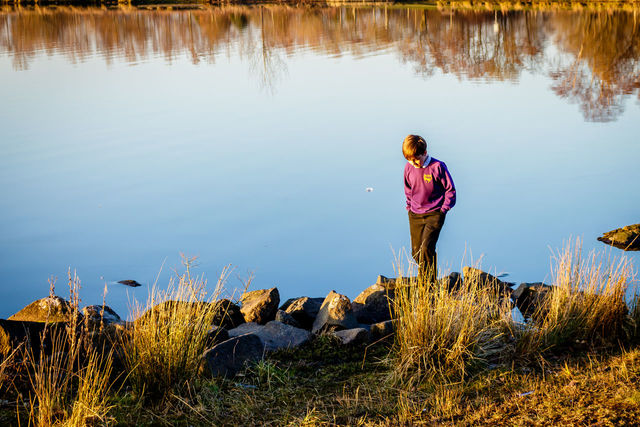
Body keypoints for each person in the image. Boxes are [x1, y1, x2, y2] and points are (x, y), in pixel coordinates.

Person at [402, 134, 456, 282]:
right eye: (409, 160)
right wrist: (409, 206)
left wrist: (443, 209)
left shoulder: (437, 167)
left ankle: (427, 284)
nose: (413, 163)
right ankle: (427, 279)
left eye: (416, 159)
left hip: (434, 214)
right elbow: (408, 188)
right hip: (415, 214)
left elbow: (450, 190)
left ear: (424, 153)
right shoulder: (409, 168)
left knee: (426, 248)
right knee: (417, 253)